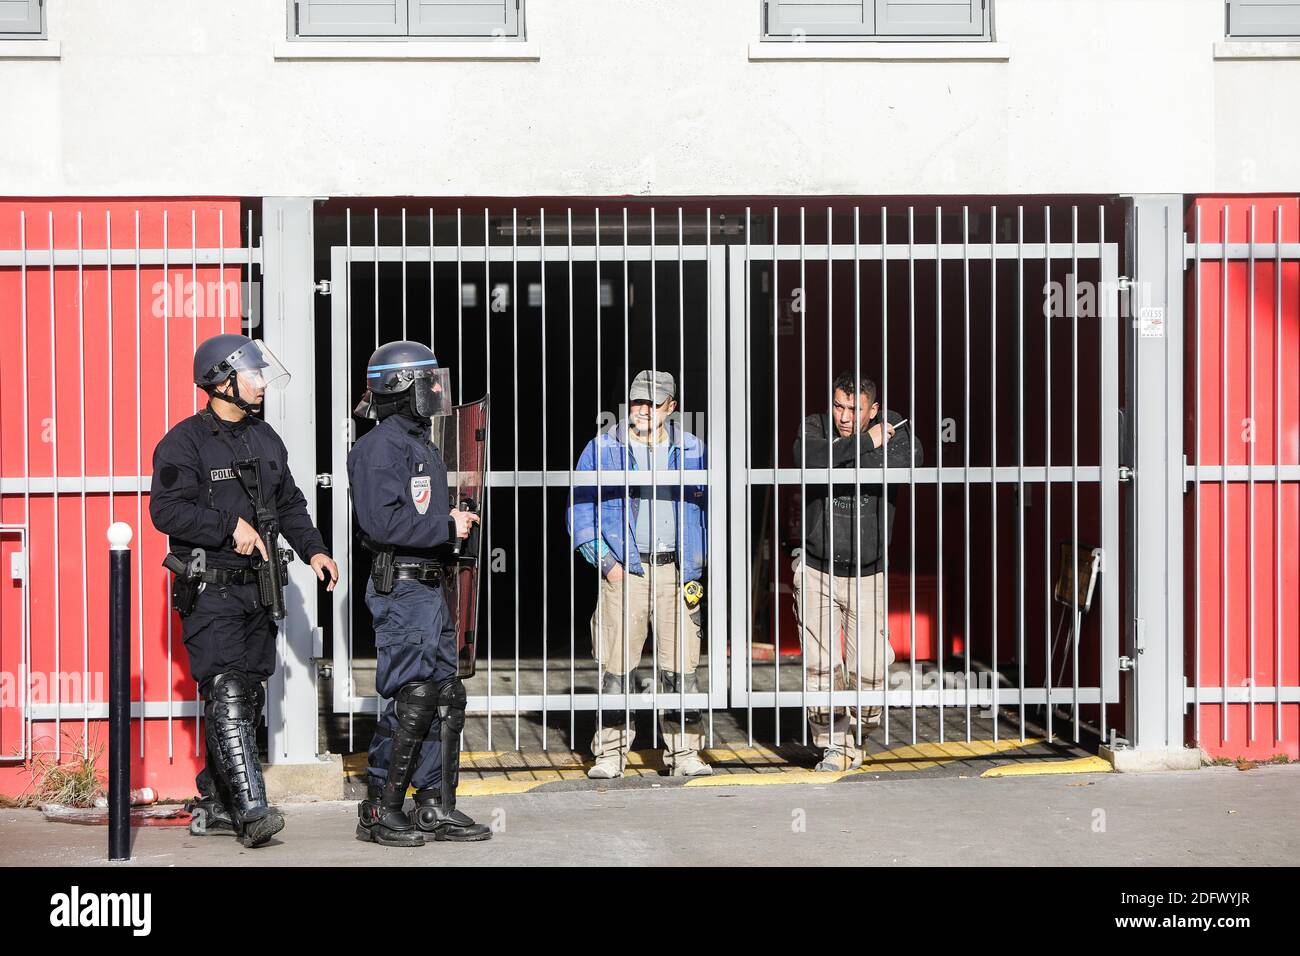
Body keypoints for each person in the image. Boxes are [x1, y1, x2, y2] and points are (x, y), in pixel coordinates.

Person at [151, 333, 338, 847]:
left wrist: (314, 549)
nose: (261, 384)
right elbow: (165, 511)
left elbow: (291, 502)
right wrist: (226, 526)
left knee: (245, 696)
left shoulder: (265, 438)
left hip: (259, 589)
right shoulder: (183, 442)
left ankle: (214, 800)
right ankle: (252, 810)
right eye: (252, 375)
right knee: (228, 690)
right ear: (221, 380)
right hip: (211, 591)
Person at [348, 340, 491, 847]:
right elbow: (381, 521)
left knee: (445, 696)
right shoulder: (379, 446)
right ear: (401, 386)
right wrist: (444, 523)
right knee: (414, 696)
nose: (436, 390)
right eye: (427, 381)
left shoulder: (418, 441)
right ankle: (379, 808)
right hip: (402, 587)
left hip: (429, 585)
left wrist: (450, 532)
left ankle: (434, 805)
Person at [567, 369, 712, 778]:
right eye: (636, 401)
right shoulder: (603, 448)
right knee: (617, 667)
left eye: (652, 402)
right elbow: (579, 511)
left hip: (677, 571)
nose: (642, 409)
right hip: (626, 570)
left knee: (681, 667)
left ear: (671, 406)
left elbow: (711, 509)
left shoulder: (692, 449)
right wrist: (607, 565)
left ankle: (684, 754)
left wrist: (701, 562)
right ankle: (611, 754)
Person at [791, 371, 923, 771]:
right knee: (820, 666)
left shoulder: (895, 426)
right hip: (818, 566)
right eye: (839, 406)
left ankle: (860, 732)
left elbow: (911, 457)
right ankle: (833, 745)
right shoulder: (814, 426)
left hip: (869, 571)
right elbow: (809, 458)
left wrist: (847, 451)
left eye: (854, 409)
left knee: (869, 666)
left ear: (874, 409)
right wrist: (867, 442)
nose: (844, 416)